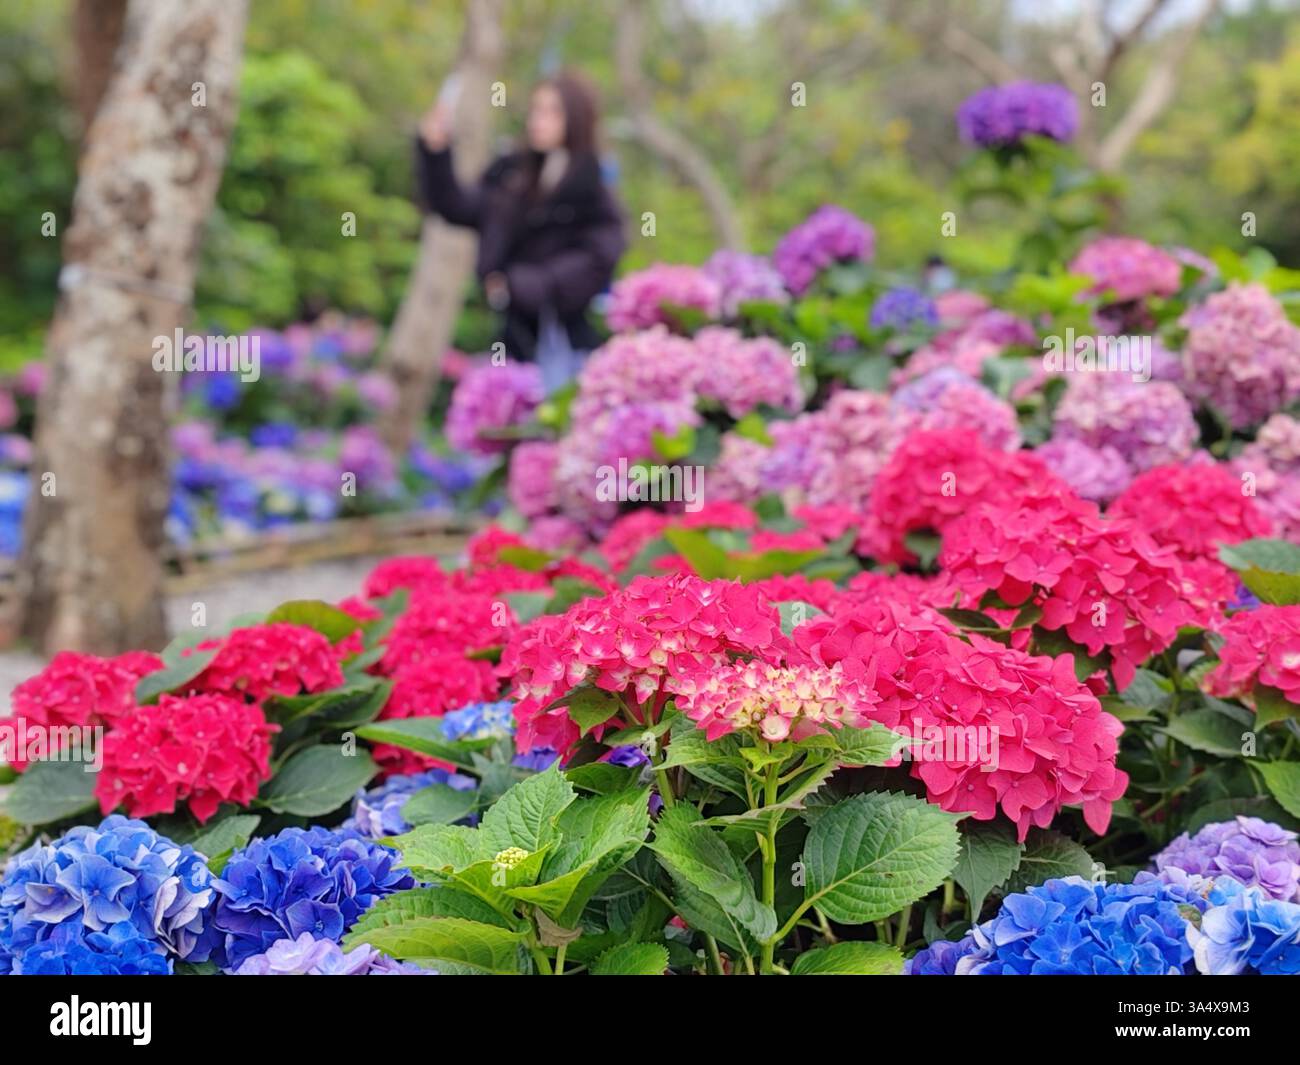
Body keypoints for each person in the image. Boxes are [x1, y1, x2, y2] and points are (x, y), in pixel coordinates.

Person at [415, 70, 626, 383]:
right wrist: (436, 154)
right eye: (536, 110)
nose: (538, 120)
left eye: (552, 111)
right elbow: (458, 206)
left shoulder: (592, 185)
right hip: (513, 332)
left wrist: (528, 285)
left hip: (564, 335)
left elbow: (601, 254)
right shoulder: (512, 172)